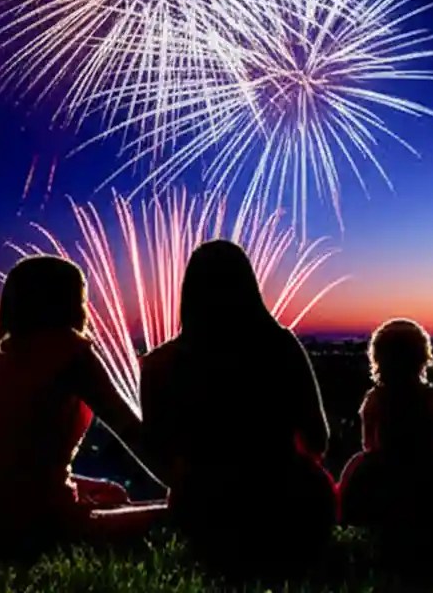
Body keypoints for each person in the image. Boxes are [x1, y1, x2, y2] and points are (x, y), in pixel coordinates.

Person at [141, 240, 336, 572]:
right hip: (296, 507)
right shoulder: (282, 347)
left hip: (205, 512)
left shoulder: (160, 363)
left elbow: (160, 455)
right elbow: (318, 439)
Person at [0, 255, 167, 560]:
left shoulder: (0, 353)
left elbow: (13, 460)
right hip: (39, 521)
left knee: (113, 493)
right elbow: (129, 430)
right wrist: (181, 481)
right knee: (176, 516)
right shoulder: (72, 351)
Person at [338, 319, 433, 548]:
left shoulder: (375, 398)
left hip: (379, 476)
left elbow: (367, 442)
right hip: (432, 474)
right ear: (423, 356)